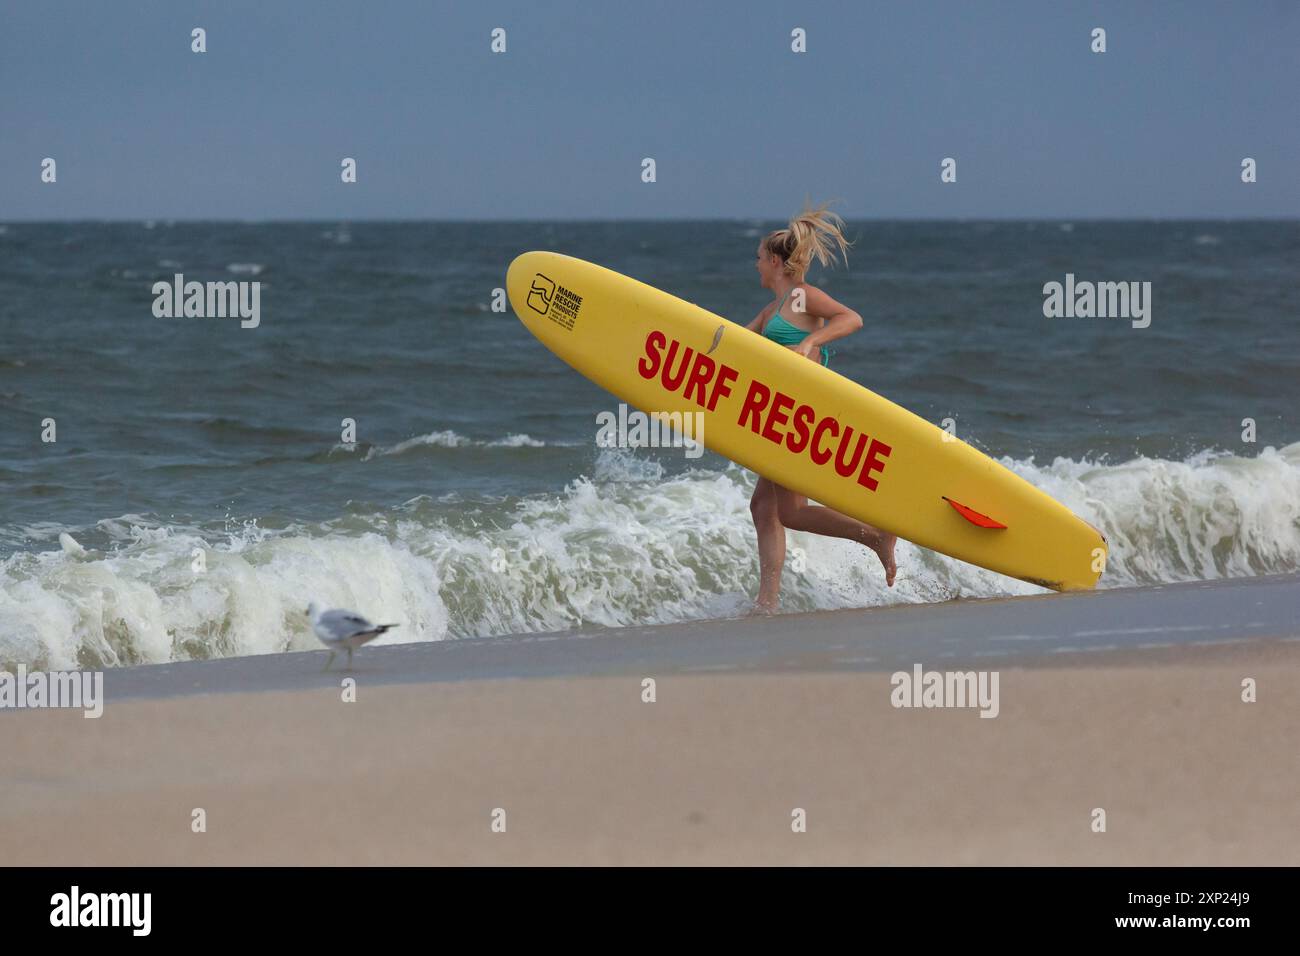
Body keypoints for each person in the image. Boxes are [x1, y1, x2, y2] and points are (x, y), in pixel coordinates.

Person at [745, 202, 898, 611]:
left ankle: (874, 535)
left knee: (792, 512)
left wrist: (811, 343)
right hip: (777, 415)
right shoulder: (771, 310)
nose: (756, 265)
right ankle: (767, 601)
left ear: (775, 261)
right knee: (764, 505)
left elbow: (852, 318)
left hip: (799, 413)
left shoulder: (801, 296)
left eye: (759, 259)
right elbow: (732, 343)